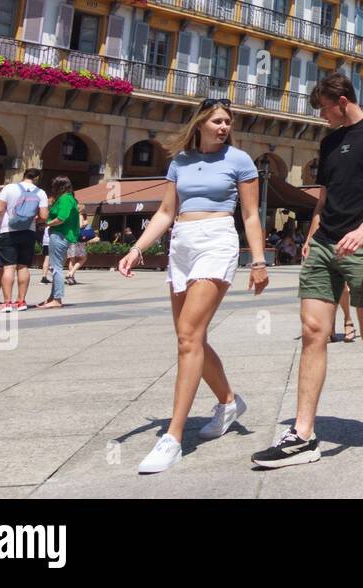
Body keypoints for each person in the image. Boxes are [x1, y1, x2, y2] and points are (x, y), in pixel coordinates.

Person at [253, 73, 363, 467]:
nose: (322, 116)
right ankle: (303, 434)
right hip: (325, 244)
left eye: (325, 109)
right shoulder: (328, 141)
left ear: (342, 101)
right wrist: (312, 234)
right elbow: (324, 197)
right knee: (314, 332)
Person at [116, 98, 267, 473]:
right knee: (191, 338)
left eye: (227, 122)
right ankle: (229, 402)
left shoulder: (240, 161)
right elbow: (166, 212)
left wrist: (260, 260)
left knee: (188, 336)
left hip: (217, 240)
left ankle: (173, 437)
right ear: (199, 122)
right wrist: (136, 249)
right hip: (181, 243)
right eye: (217, 120)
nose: (223, 127)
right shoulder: (179, 162)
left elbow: (250, 214)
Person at [0, 168, 49, 312]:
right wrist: (31, 217)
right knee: (23, 267)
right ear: (37, 178)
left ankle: (7, 303)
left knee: (8, 267)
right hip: (28, 231)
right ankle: (21, 301)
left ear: (24, 175)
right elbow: (44, 216)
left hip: (7, 231)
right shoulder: (41, 193)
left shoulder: (9, 188)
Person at [37, 176, 81, 309]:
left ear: (58, 187)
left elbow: (61, 218)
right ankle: (52, 297)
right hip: (61, 235)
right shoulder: (67, 198)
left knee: (56, 268)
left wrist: (46, 224)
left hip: (60, 234)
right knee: (55, 266)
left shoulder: (65, 199)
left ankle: (57, 299)